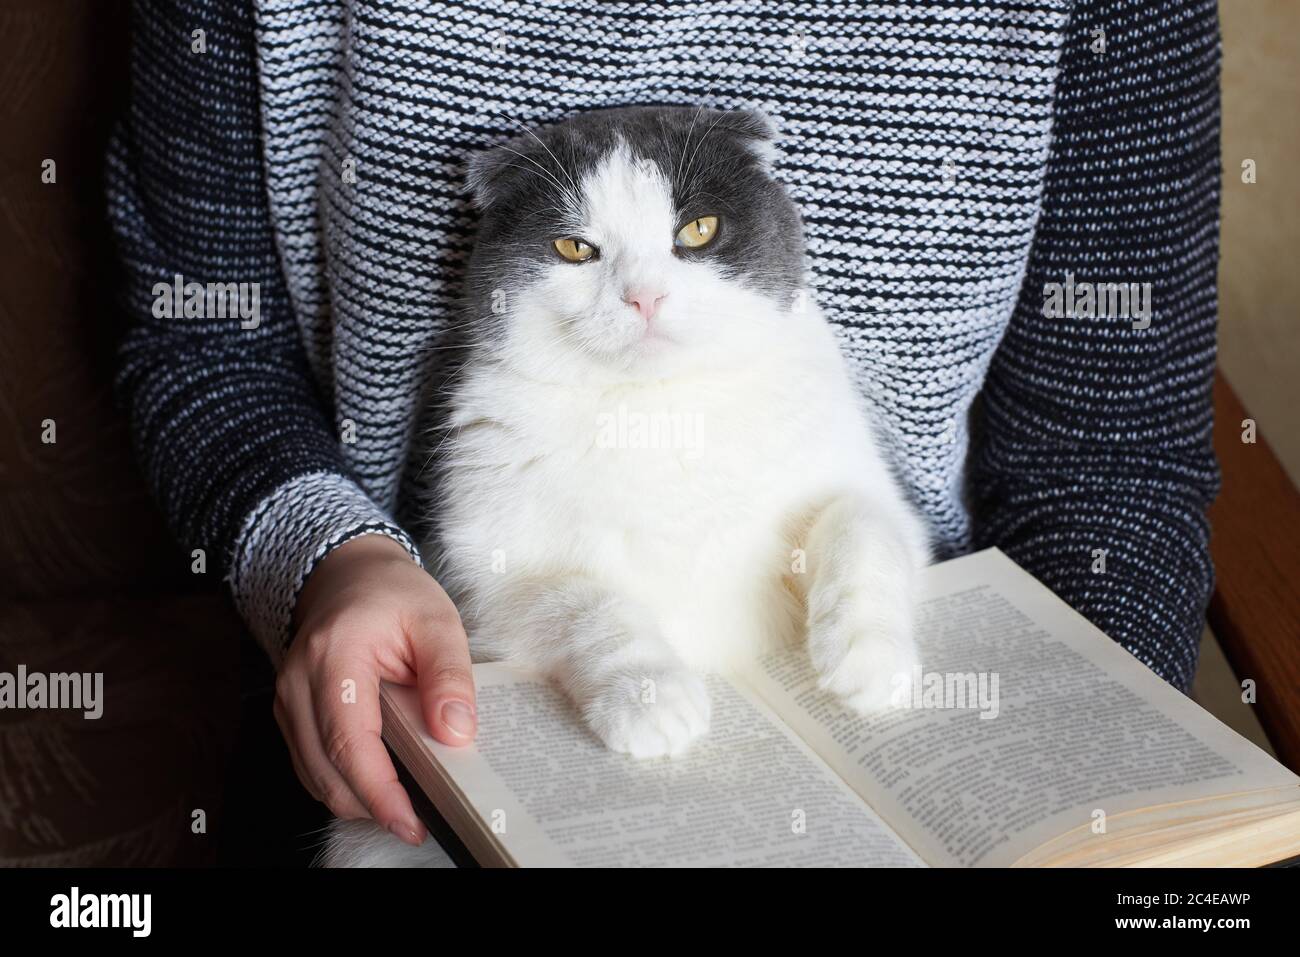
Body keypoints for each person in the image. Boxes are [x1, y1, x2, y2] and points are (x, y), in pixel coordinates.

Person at [107, 0, 1223, 851]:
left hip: (912, 738)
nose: (645, 298)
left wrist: (1090, 797)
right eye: (585, 254)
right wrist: (319, 558)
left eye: (686, 238)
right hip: (468, 724)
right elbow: (200, 335)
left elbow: (1110, 460)